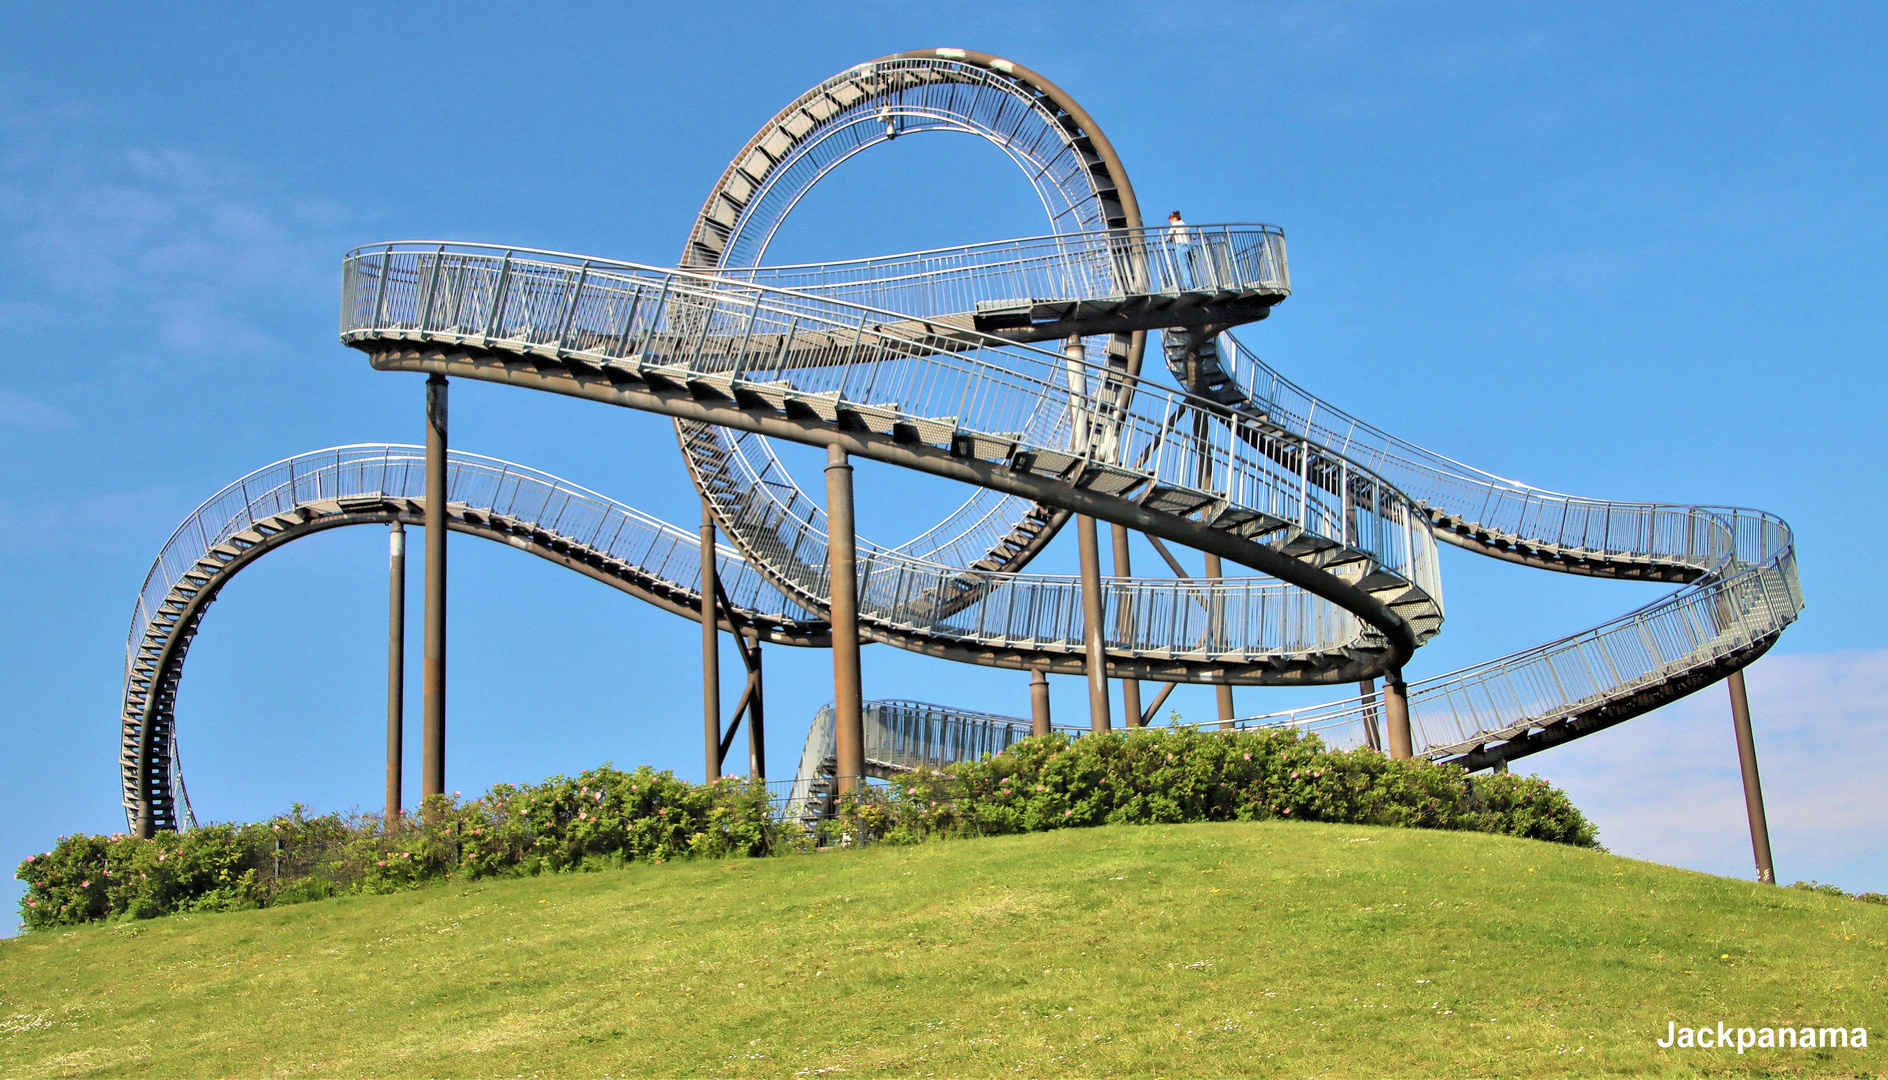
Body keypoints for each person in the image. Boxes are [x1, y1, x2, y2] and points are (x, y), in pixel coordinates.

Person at [1166, 210, 1194, 288]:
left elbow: (1169, 236)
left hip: (1181, 246)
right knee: (1188, 268)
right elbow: (1190, 236)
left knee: (1184, 269)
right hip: (1189, 246)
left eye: (1170, 218)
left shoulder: (1175, 224)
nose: (1170, 221)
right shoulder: (1185, 224)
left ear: (1174, 218)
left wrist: (1165, 240)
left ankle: (1189, 287)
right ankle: (1192, 285)